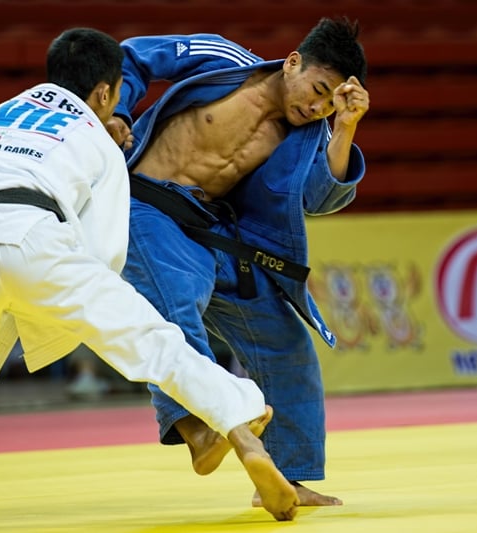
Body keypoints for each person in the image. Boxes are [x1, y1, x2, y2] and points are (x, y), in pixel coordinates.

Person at [0, 27, 300, 531]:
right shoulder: (97, 136)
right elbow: (105, 250)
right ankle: (241, 427)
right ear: (104, 93)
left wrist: (13, 312)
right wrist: (80, 312)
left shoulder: (1, 112)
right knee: (153, 339)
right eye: (118, 92)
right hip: (35, 235)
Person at [106, 16, 370, 508]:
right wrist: (118, 112)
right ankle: (198, 427)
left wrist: (344, 127)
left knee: (285, 341)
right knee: (176, 304)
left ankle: (288, 475)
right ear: (292, 62)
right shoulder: (222, 59)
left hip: (213, 232)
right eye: (315, 90)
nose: (315, 107)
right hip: (144, 206)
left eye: (327, 102)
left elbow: (318, 198)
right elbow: (133, 56)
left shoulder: (309, 132)